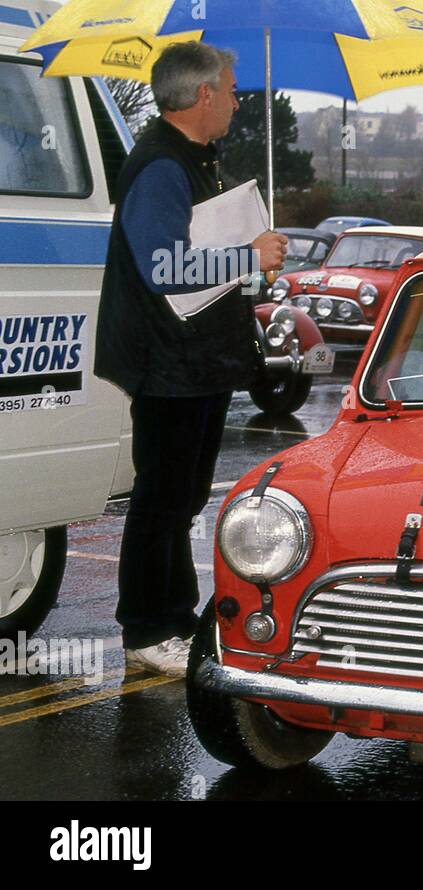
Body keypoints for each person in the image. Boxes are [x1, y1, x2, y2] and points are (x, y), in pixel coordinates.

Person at [94, 43, 287, 677]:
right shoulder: (160, 166)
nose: (237, 101)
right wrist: (247, 258)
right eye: (231, 90)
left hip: (196, 360)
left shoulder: (197, 161)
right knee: (162, 499)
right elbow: (162, 267)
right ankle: (148, 629)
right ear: (203, 95)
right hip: (167, 362)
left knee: (181, 498)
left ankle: (172, 618)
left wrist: (252, 258)